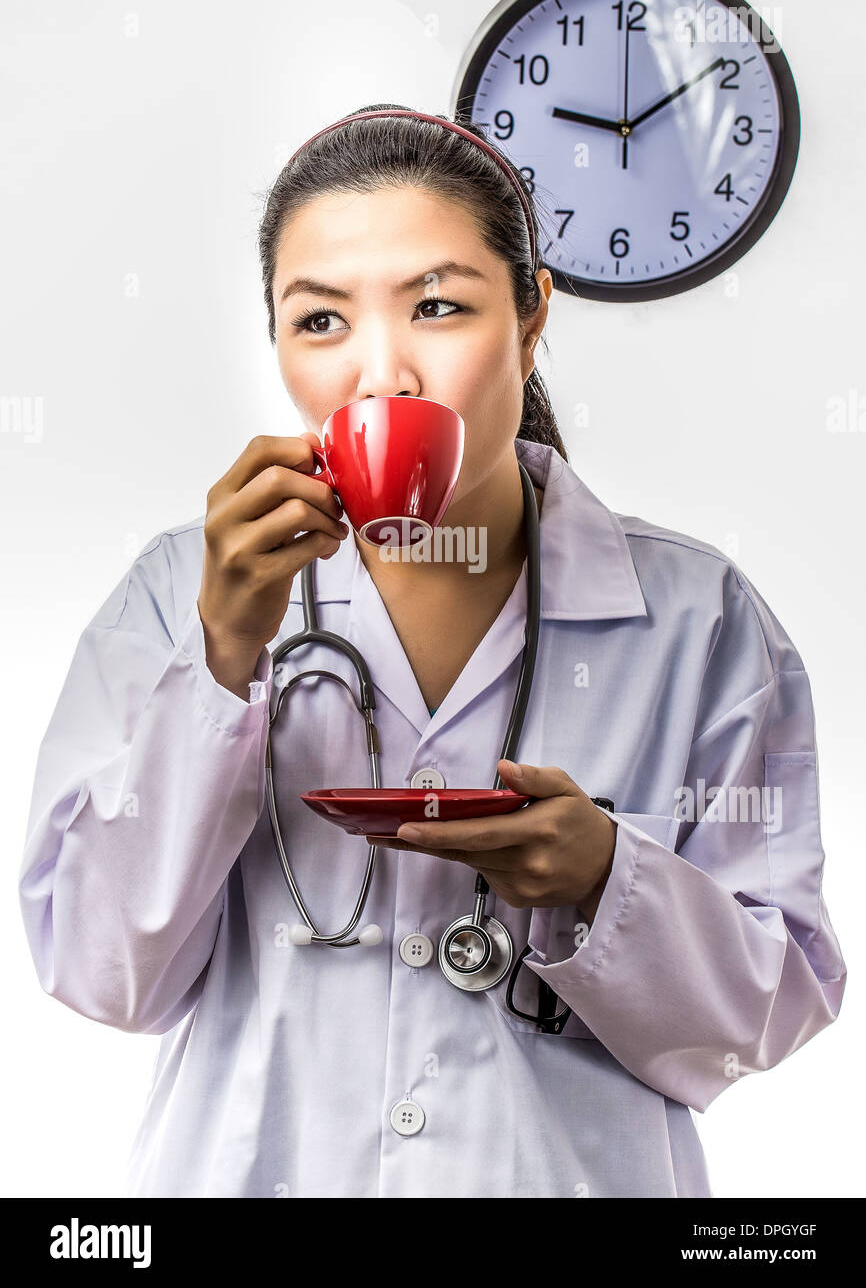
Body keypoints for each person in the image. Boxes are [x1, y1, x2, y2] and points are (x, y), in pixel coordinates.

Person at [19, 103, 846, 1198]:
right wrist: (221, 656)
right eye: (320, 322)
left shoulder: (698, 620)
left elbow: (766, 1018)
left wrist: (606, 880)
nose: (383, 376)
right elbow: (101, 976)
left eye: (439, 306)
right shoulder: (179, 593)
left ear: (533, 315)